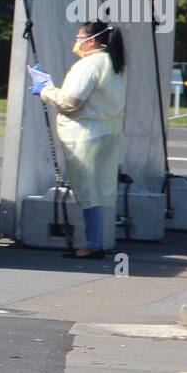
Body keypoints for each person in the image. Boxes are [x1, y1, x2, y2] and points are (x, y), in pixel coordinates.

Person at [29, 24, 127, 259]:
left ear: (92, 40)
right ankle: (97, 240)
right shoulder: (111, 63)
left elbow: (71, 101)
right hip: (107, 133)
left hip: (86, 135)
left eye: (80, 37)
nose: (77, 41)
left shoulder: (89, 65)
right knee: (99, 189)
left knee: (87, 190)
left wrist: (45, 89)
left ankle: (93, 243)